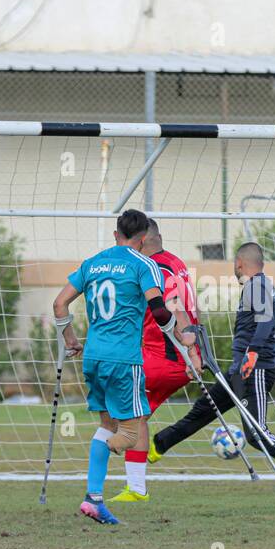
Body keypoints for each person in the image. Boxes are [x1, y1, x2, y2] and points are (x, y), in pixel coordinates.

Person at [148, 241, 275, 496]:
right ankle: (159, 444)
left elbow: (266, 323)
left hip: (253, 370)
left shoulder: (258, 285)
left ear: (239, 264)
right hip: (240, 370)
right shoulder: (259, 286)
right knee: (204, 409)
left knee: (255, 434)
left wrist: (254, 353)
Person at [51, 209, 196, 525]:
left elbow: (60, 303)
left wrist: (70, 339)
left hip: (92, 357)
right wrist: (181, 337)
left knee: (107, 425)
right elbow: (159, 311)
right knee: (130, 433)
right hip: (124, 360)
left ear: (116, 233)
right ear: (143, 239)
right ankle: (105, 468)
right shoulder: (144, 264)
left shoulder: (92, 263)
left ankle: (94, 498)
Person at [107, 219, 201, 503]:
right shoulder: (176, 262)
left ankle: (135, 487)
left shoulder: (155, 269)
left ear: (142, 240)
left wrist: (191, 352)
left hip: (165, 357)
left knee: (125, 415)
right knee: (134, 415)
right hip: (176, 356)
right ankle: (138, 481)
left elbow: (174, 307)